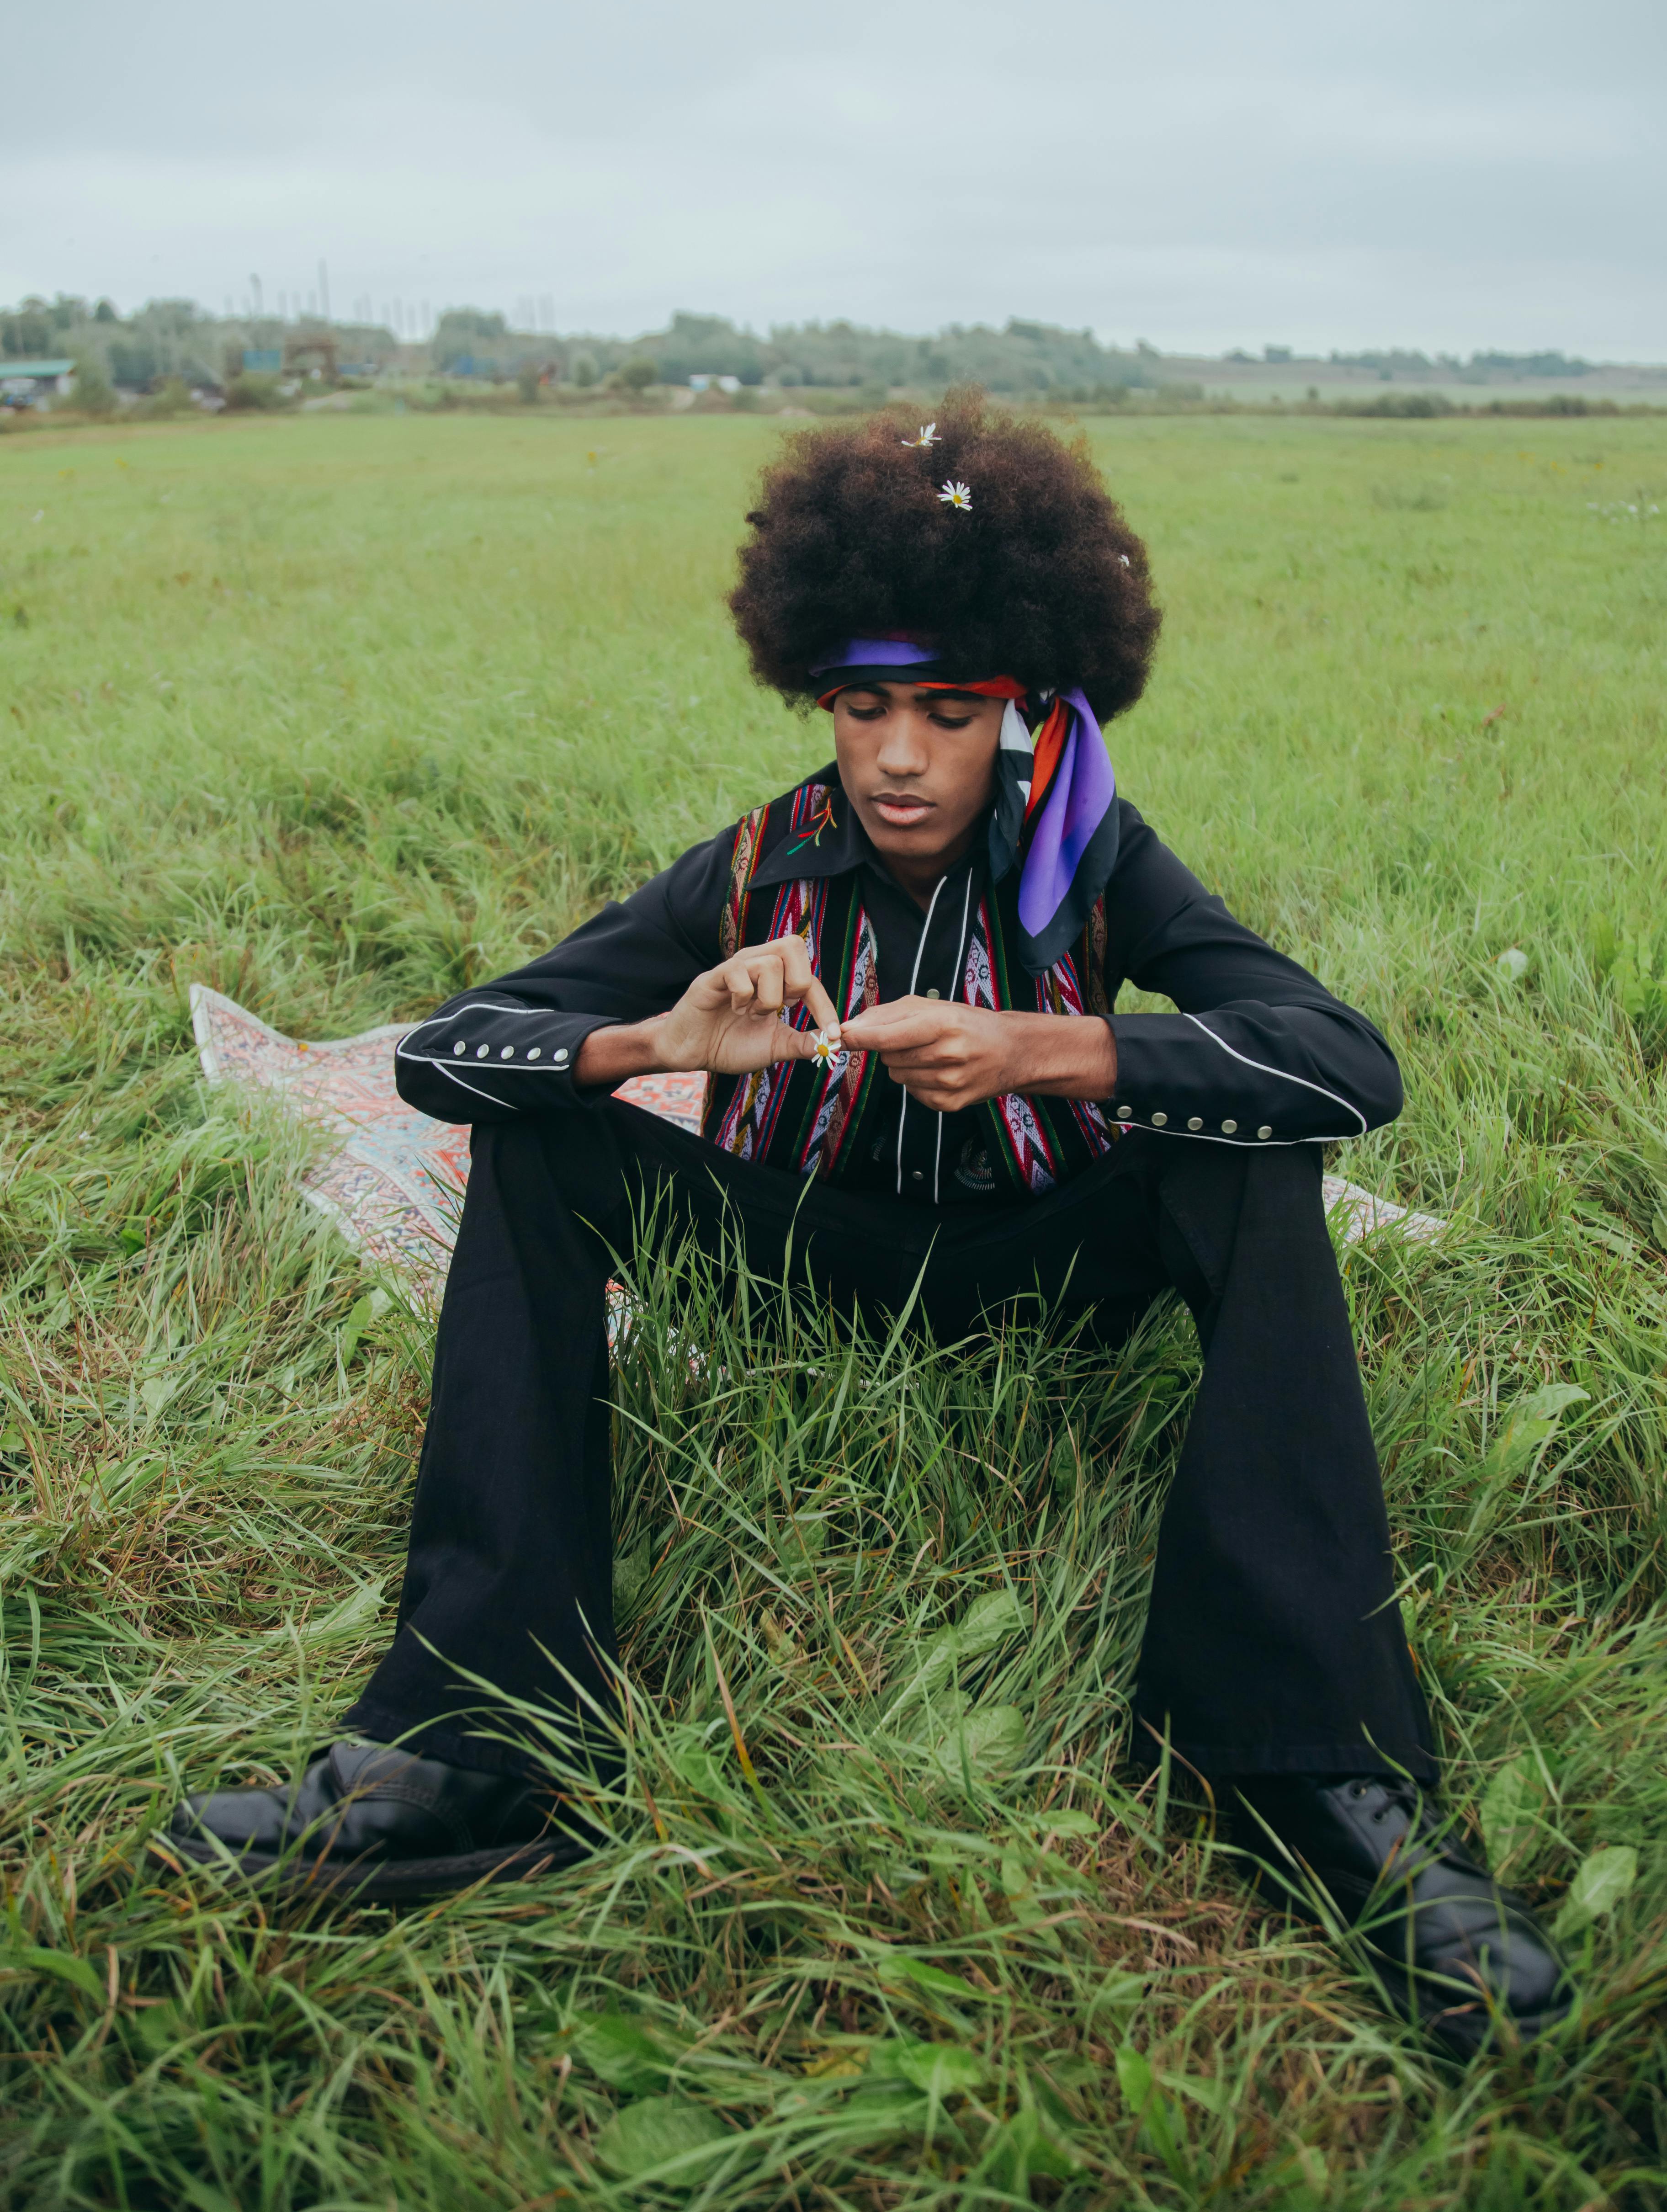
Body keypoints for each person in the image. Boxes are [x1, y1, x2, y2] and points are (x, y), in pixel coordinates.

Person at [170, 395, 1568, 2058]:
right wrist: (660, 1043)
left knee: (1249, 1154)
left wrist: (1059, 1048)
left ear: (1026, 708)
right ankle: (469, 1751)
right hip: (797, 1264)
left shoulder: (1103, 857)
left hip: (1043, 1271)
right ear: (818, 699)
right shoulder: (757, 863)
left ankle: (1299, 1761)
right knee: (537, 1143)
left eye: (950, 710)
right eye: (864, 706)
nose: (902, 755)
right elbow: (449, 1052)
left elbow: (1350, 1066)